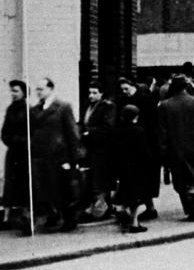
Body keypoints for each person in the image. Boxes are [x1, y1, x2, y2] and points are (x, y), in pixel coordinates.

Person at [158, 74, 194, 221]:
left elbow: (162, 131)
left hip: (175, 149)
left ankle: (189, 209)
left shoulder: (165, 105)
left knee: (180, 179)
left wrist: (163, 151)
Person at [30, 77, 81, 232]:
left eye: (41, 89)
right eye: (37, 89)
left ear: (51, 89)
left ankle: (69, 219)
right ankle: (53, 215)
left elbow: (72, 133)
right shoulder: (36, 109)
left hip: (59, 156)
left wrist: (74, 158)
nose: (38, 92)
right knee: (46, 188)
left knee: (64, 189)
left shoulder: (63, 107)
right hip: (41, 156)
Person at [77, 81, 117, 222]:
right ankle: (100, 208)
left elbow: (107, 127)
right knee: (92, 178)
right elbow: (83, 123)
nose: (91, 95)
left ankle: (101, 209)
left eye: (94, 92)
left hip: (102, 150)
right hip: (90, 149)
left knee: (100, 179)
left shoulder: (108, 107)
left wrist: (89, 133)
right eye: (90, 92)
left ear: (101, 94)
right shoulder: (88, 107)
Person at [112, 105, 153, 233]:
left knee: (125, 193)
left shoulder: (117, 131)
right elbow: (145, 152)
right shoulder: (139, 131)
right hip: (136, 169)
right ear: (136, 116)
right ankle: (134, 223)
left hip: (122, 168)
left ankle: (121, 211)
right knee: (135, 198)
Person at [1, 80, 31, 234]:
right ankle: (6, 217)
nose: (13, 94)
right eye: (12, 91)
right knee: (9, 183)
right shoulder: (10, 109)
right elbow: (4, 132)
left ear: (24, 93)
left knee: (23, 182)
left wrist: (19, 141)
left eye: (16, 91)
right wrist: (10, 140)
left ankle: (24, 216)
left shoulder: (27, 109)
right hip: (12, 152)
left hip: (24, 153)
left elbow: (30, 132)